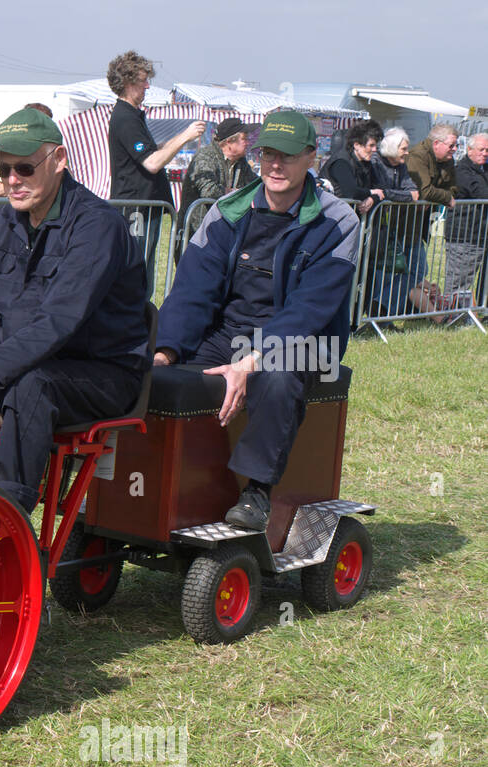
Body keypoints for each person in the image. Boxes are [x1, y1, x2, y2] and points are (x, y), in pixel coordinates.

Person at [0, 108, 149, 513]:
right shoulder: (6, 220)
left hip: (100, 371)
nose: (12, 180)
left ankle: (5, 512)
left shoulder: (97, 226)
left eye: (24, 167)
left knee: (33, 388)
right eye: (3, 170)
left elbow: (59, 321)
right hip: (18, 365)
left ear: (59, 160)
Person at [155, 111, 360, 532]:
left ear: (311, 156)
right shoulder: (226, 212)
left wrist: (251, 361)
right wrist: (164, 350)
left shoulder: (338, 221)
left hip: (306, 342)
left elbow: (309, 311)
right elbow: (192, 291)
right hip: (229, 333)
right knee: (146, 364)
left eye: (286, 156)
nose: (275, 165)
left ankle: (257, 492)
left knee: (279, 375)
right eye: (267, 153)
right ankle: (157, 486)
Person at [105, 50, 205, 292]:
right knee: (136, 276)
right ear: (128, 82)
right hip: (136, 209)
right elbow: (151, 162)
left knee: (144, 275)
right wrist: (185, 135)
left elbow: (149, 153)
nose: (148, 86)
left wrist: (171, 143)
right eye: (143, 80)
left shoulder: (132, 116)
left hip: (145, 208)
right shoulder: (125, 118)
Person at [370, 127, 442, 318]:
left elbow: (413, 192)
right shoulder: (375, 163)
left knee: (415, 271)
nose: (407, 152)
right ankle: (377, 312)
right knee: (383, 274)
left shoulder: (401, 166)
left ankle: (381, 311)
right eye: (403, 148)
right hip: (381, 228)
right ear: (393, 148)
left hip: (399, 227)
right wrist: (400, 195)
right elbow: (382, 190)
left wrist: (393, 195)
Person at [176, 117, 255, 254]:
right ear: (229, 142)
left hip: (222, 233)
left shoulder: (241, 163)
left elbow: (254, 185)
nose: (248, 143)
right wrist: (235, 193)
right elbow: (208, 190)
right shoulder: (205, 156)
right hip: (195, 233)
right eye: (244, 139)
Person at [446, 133, 488, 304]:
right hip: (465, 234)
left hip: (482, 233)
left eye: (487, 150)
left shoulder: (484, 168)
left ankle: (482, 310)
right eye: (481, 149)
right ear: (469, 150)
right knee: (460, 279)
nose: (485, 153)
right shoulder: (461, 171)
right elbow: (482, 193)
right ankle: (450, 314)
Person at [321, 119, 385, 213]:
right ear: (357, 145)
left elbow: (380, 188)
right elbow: (351, 191)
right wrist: (372, 192)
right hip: (333, 217)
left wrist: (372, 198)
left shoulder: (367, 163)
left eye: (376, 145)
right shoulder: (340, 162)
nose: (375, 149)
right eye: (371, 145)